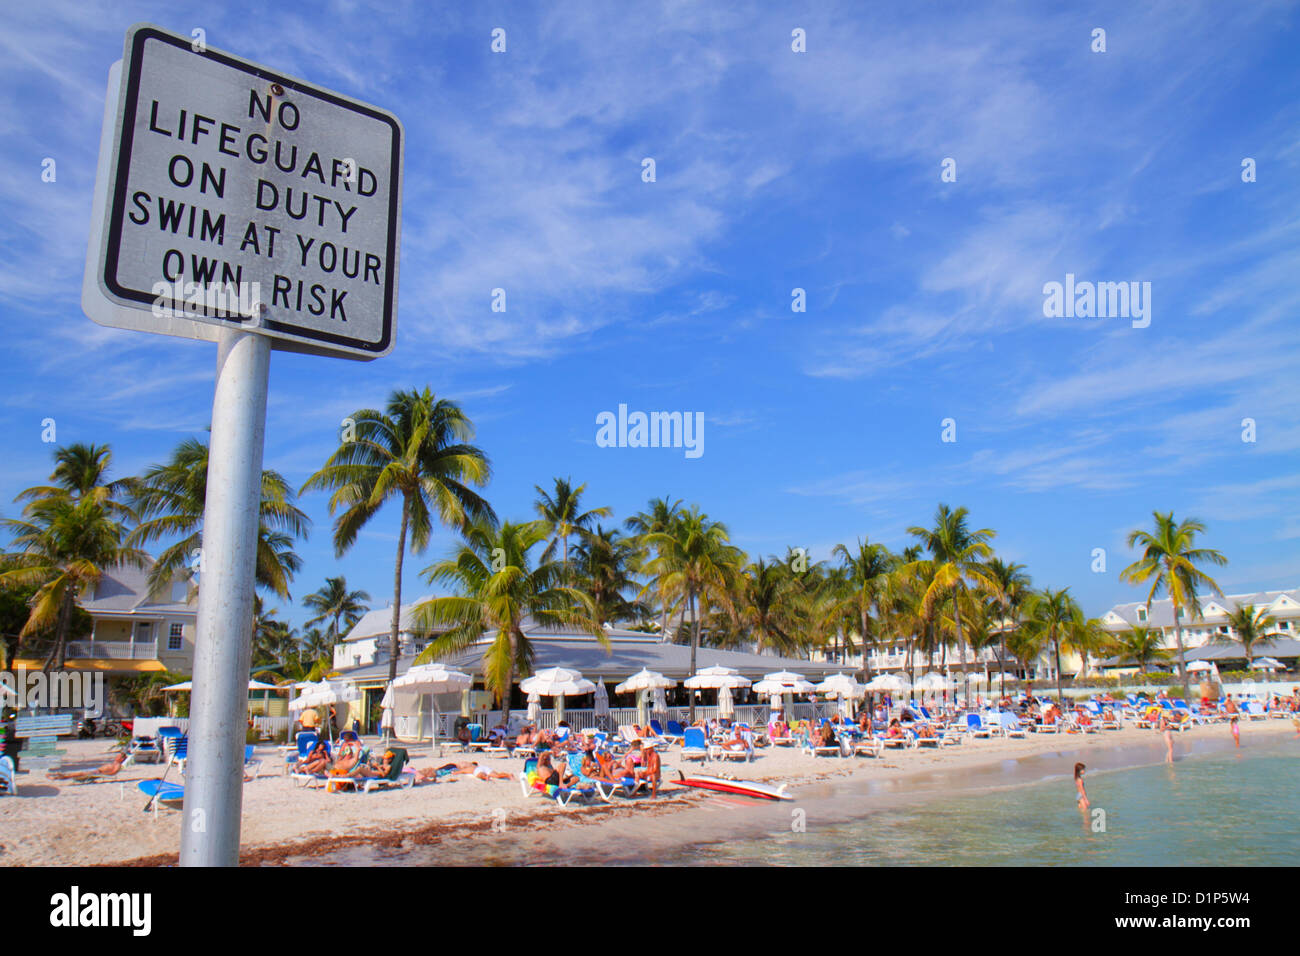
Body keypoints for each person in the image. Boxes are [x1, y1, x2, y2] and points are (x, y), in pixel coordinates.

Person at [49, 750, 129, 782]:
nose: (116, 757)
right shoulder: (115, 762)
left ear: (121, 759)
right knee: (79, 773)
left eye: (118, 756)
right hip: (97, 770)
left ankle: (59, 777)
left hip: (97, 772)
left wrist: (102, 774)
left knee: (80, 774)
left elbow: (113, 773)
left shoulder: (118, 765)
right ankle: (60, 776)